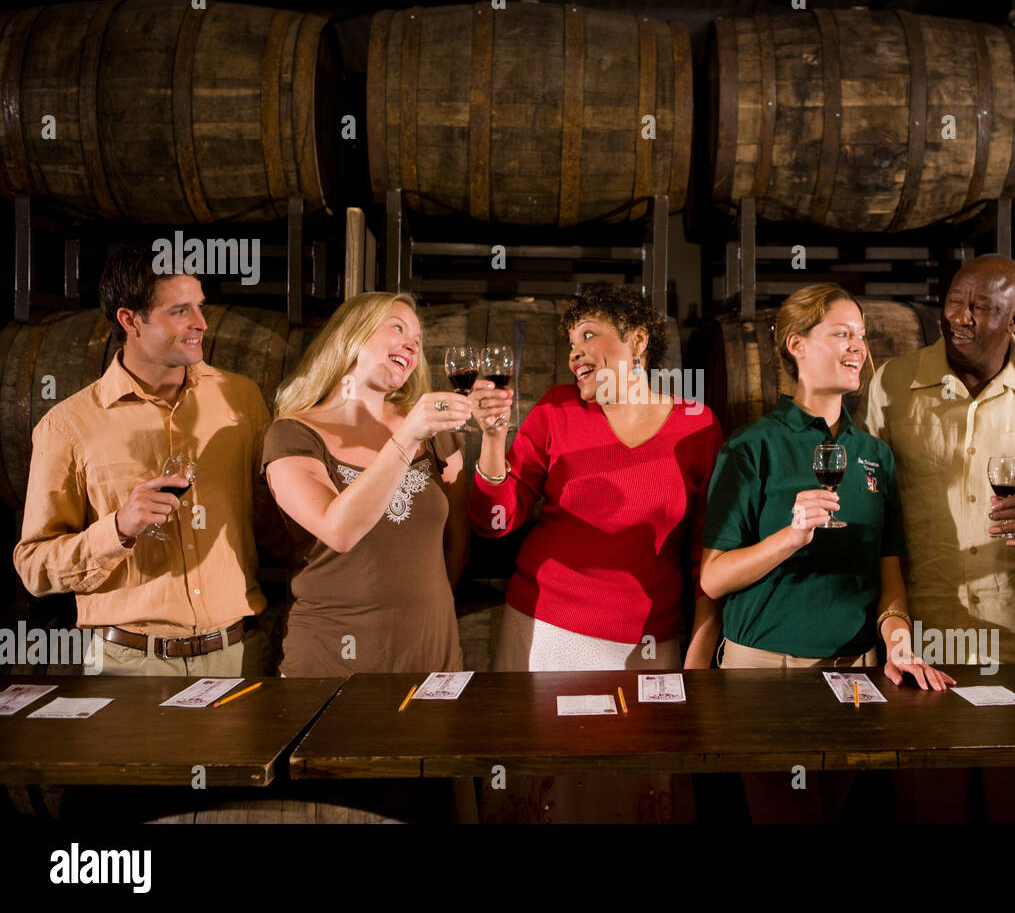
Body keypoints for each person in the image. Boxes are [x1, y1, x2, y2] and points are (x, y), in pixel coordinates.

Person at [469, 283, 723, 822]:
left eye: (590, 335)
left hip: (650, 644)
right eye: (570, 342)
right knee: (545, 800)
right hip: (548, 635)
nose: (575, 352)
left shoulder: (697, 423)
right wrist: (493, 440)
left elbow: (709, 551)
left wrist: (700, 651)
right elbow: (496, 522)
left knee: (633, 798)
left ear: (637, 340)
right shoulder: (555, 410)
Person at [700, 283, 952, 822]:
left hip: (854, 676)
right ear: (796, 344)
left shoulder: (874, 454)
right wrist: (788, 538)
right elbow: (713, 579)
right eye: (841, 334)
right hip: (767, 677)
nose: (859, 347)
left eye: (861, 336)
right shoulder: (753, 446)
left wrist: (898, 638)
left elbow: (888, 572)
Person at [13, 246, 273, 676]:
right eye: (180, 311)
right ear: (130, 320)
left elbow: (272, 522)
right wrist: (117, 529)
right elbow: (34, 567)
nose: (201, 324)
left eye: (200, 308)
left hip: (237, 655)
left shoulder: (240, 399)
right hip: (130, 665)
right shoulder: (68, 426)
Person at [859, 254, 1015, 666]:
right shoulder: (893, 384)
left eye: (982, 307)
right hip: (919, 641)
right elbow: (865, 497)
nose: (961, 317)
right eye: (955, 301)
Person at [262, 292, 471, 677]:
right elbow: (338, 530)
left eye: (417, 339)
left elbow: (459, 540)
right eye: (397, 327)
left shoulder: (435, 435)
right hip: (334, 659)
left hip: (431, 654)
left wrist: (428, 609)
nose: (411, 343)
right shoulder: (293, 434)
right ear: (352, 335)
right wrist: (407, 437)